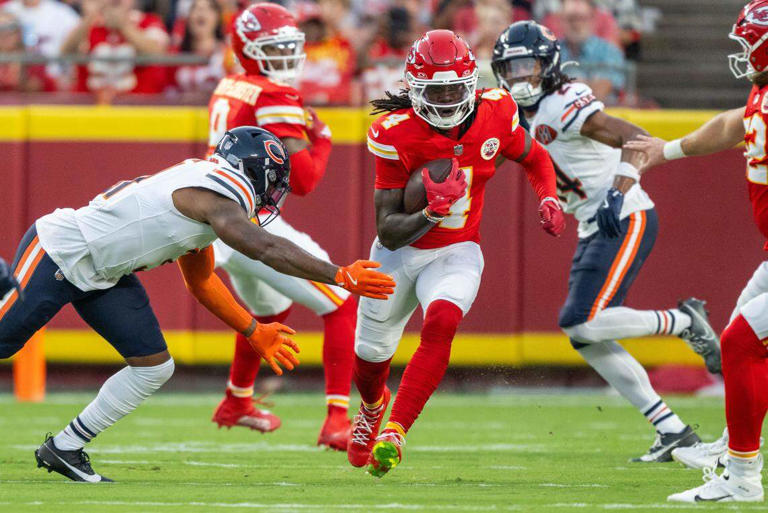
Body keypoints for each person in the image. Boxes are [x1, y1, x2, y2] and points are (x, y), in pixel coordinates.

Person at [0, 126, 395, 483]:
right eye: (271, 183)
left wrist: (253, 330)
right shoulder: (222, 191)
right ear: (253, 172)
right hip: (63, 250)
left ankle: (65, 447)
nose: (271, 194)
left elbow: (202, 281)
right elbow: (263, 247)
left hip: (104, 274)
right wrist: (339, 275)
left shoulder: (205, 190)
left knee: (153, 368)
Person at [490, 20, 721, 463]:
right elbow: (495, 159)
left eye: (527, 65)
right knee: (585, 335)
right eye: (511, 67)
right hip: (593, 224)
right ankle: (672, 430)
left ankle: (685, 322)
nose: (520, 76)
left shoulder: (563, 101)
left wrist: (618, 188)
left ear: (548, 64)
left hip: (624, 213)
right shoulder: (519, 114)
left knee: (581, 321)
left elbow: (635, 138)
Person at [348, 29, 565, 478]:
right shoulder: (394, 132)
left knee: (442, 321)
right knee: (370, 363)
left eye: (453, 87)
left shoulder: (497, 110)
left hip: (457, 251)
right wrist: (431, 211)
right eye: (435, 89)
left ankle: (395, 432)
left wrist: (548, 197)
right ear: (414, 88)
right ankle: (372, 405)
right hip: (400, 253)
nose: (446, 98)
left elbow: (534, 155)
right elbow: (388, 232)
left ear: (472, 82)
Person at [625, 0, 768, 501]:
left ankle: (744, 476)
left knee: (741, 341)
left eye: (750, 41)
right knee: (742, 333)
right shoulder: (762, 96)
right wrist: (665, 151)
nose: (744, 53)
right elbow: (733, 125)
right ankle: (736, 448)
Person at [207, 3, 356, 451]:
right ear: (249, 50)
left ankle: (236, 401)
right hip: (244, 221)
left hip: (213, 217)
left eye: (291, 47)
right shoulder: (275, 96)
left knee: (270, 309)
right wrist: (325, 140)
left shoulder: (231, 85)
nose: (288, 57)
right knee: (344, 300)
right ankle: (336, 419)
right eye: (275, 48)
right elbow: (305, 180)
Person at [60, 0, 169, 99]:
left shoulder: (148, 22)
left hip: (137, 106)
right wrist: (90, 17)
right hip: (91, 108)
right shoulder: (89, 25)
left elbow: (158, 55)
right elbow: (64, 53)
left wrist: (124, 27)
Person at [556, 0, 626, 103]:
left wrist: (567, 86)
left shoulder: (610, 52)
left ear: (593, 18)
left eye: (581, 19)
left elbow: (602, 91)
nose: (576, 25)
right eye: (571, 19)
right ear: (561, 19)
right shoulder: (551, 51)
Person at [167, 0, 226, 95]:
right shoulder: (176, 53)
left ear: (217, 17)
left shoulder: (228, 52)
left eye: (208, 8)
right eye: (195, 8)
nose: (201, 12)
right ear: (188, 17)